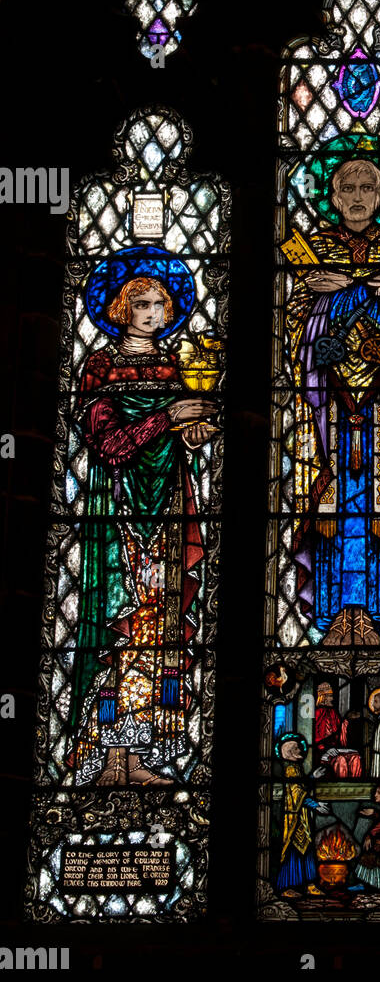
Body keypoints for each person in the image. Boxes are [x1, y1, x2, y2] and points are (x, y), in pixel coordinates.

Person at [66, 275, 217, 787]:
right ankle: (109, 756)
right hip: (121, 509)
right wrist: (168, 416)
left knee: (164, 626)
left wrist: (194, 433)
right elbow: (108, 445)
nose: (153, 314)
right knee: (123, 626)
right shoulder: (100, 367)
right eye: (142, 304)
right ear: (121, 309)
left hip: (171, 500)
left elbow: (177, 438)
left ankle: (145, 751)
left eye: (160, 305)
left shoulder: (176, 365)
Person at [286, 156, 380, 642]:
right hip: (329, 400)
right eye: (350, 187)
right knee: (330, 492)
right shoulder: (314, 249)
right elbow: (293, 328)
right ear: (335, 196)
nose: (360, 196)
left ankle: (378, 610)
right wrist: (314, 294)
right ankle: (333, 609)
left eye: (370, 186)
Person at [274, 733, 328, 898]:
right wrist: (315, 804)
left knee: (306, 849)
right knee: (293, 850)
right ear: (289, 752)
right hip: (293, 818)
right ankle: (286, 886)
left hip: (301, 816)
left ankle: (309, 885)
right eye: (296, 748)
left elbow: (301, 786)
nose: (300, 750)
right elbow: (297, 793)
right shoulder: (290, 770)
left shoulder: (296, 768)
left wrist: (312, 777)